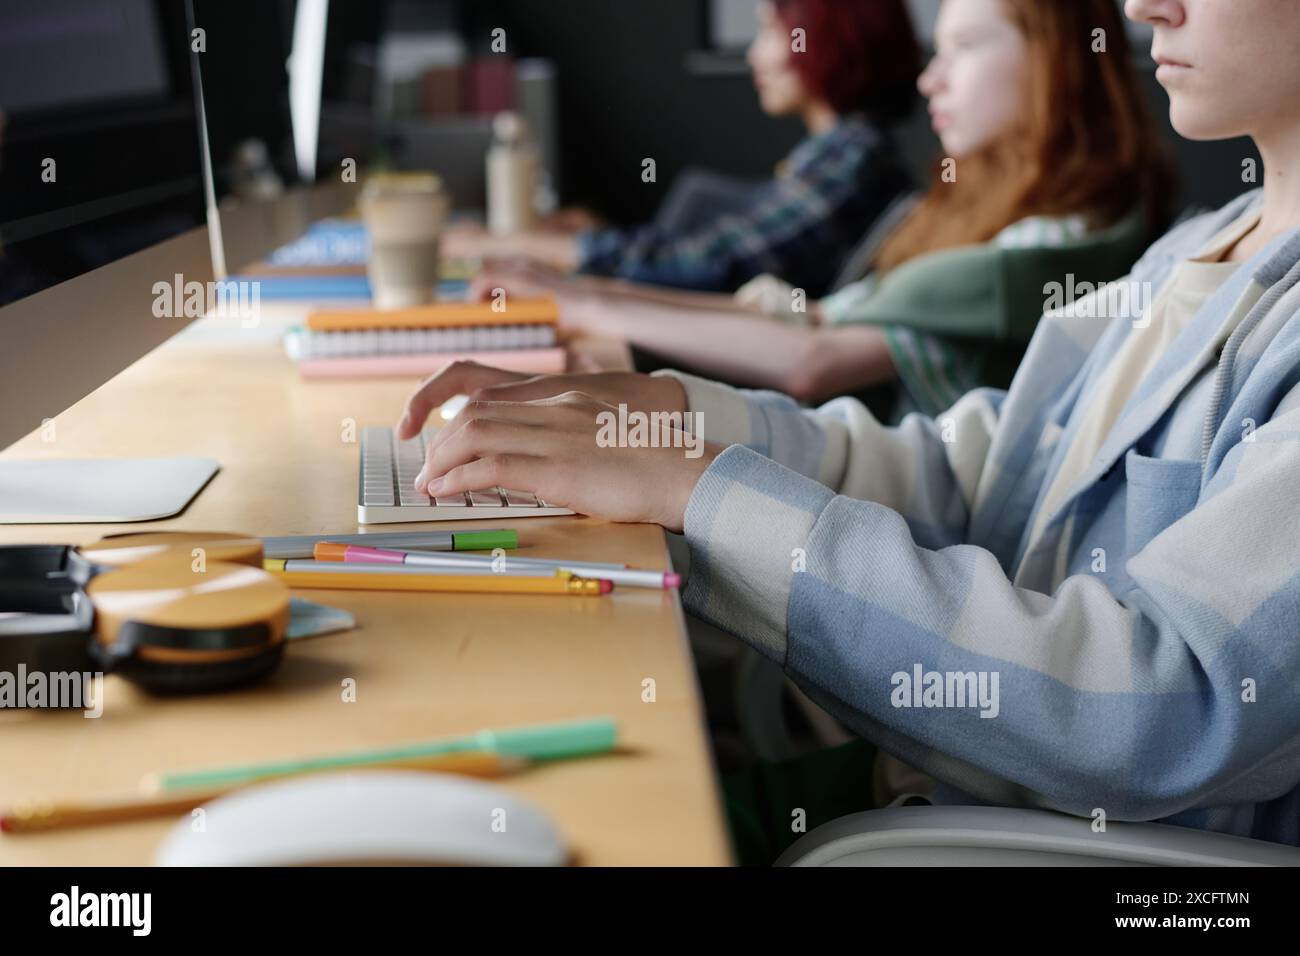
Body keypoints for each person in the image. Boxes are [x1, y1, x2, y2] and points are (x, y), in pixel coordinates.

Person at [397, 0, 1300, 860]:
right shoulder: (1196, 247)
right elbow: (970, 479)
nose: (1145, 8)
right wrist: (669, 423)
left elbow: (1164, 709)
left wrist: (701, 490)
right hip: (937, 791)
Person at [474, 0, 1173, 419]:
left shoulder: (1048, 244)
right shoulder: (985, 203)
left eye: (963, 48)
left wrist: (588, 303)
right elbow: (814, 316)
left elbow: (809, 351)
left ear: (1055, 60)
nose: (934, 77)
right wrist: (583, 293)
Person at [445, 0, 920, 298]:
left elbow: (712, 264)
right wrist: (592, 237)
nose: (755, 54)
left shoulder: (853, 162)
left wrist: (519, 242)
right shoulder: (838, 153)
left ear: (829, 39)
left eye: (770, 31)